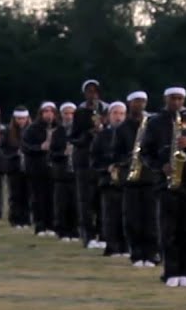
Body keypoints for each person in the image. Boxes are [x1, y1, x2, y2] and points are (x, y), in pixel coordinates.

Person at [141, 86, 186, 288]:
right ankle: (171, 271)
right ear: (165, 99)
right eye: (172, 99)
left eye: (180, 98)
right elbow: (145, 152)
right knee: (169, 229)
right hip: (166, 182)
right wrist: (161, 166)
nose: (176, 102)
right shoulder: (155, 122)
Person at [115, 91, 159, 268]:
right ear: (129, 103)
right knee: (132, 219)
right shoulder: (122, 129)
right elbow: (115, 153)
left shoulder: (152, 125)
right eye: (135, 102)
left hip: (150, 178)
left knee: (151, 218)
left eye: (142, 102)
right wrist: (128, 159)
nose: (139, 105)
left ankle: (151, 253)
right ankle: (136, 253)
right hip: (131, 179)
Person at [69, 80, 109, 248]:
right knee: (85, 200)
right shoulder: (80, 112)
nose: (92, 95)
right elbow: (73, 137)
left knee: (102, 200)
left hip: (101, 160)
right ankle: (88, 236)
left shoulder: (106, 110)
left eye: (95, 91)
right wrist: (88, 134)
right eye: (89, 91)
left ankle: (102, 234)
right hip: (84, 160)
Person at [92, 101, 127, 257]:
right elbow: (94, 159)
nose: (118, 117)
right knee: (110, 216)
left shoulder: (131, 134)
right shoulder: (102, 136)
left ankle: (126, 247)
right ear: (109, 116)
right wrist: (107, 167)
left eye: (121, 114)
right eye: (115, 113)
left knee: (127, 216)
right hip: (108, 182)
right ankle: (112, 247)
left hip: (127, 182)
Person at [22, 101, 58, 237]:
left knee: (52, 198)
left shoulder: (58, 128)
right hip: (36, 168)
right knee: (38, 198)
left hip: (54, 169)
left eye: (51, 111)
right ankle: (40, 226)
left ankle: (52, 225)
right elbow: (25, 146)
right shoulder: (32, 129)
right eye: (46, 111)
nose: (49, 114)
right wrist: (39, 147)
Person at [48, 102, 80, 242]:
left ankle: (75, 231)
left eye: (71, 113)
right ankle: (62, 231)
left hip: (76, 174)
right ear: (61, 115)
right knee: (62, 204)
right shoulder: (57, 133)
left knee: (75, 204)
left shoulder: (79, 132)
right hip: (61, 174)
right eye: (66, 113)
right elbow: (52, 154)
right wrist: (63, 153)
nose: (69, 116)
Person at [0, 107, 33, 229]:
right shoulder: (8, 132)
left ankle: (27, 219)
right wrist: (14, 154)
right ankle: (15, 219)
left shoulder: (32, 130)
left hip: (28, 168)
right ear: (14, 119)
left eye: (23, 118)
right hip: (14, 168)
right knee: (15, 194)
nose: (21, 121)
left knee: (28, 194)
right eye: (19, 118)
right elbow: (2, 148)